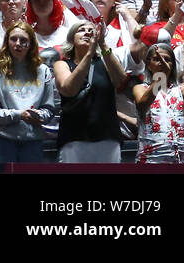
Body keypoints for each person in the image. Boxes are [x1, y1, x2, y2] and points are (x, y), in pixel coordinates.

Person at [0, 21, 59, 163]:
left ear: (31, 44)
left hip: (32, 139)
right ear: (7, 41)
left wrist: (39, 115)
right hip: (3, 139)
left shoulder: (43, 70)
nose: (18, 43)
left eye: (23, 40)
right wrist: (18, 114)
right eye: (13, 39)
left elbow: (49, 109)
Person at [53, 20, 129, 163]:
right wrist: (89, 54)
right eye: (81, 30)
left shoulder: (105, 62)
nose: (87, 32)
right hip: (74, 138)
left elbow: (121, 82)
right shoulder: (62, 64)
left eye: (91, 30)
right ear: (71, 39)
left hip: (107, 138)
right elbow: (68, 89)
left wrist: (103, 45)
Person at [132, 42, 184, 164]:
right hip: (152, 158)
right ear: (148, 64)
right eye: (157, 59)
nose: (162, 62)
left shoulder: (182, 89)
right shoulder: (140, 88)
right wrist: (161, 77)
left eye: (167, 59)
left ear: (173, 65)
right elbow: (142, 105)